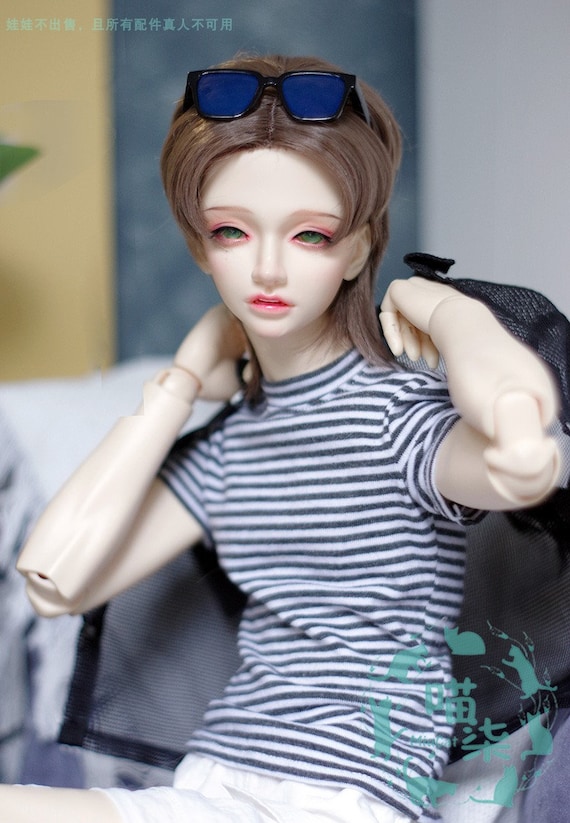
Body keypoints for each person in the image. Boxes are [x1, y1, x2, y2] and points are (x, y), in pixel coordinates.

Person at [3, 54, 562, 823]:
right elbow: (53, 581)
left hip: (346, 796)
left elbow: (521, 454)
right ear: (199, 246)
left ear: (359, 246)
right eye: (231, 231)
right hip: (210, 780)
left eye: (311, 234)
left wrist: (451, 313)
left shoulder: (396, 417)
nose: (267, 267)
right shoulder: (229, 451)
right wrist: (175, 388)